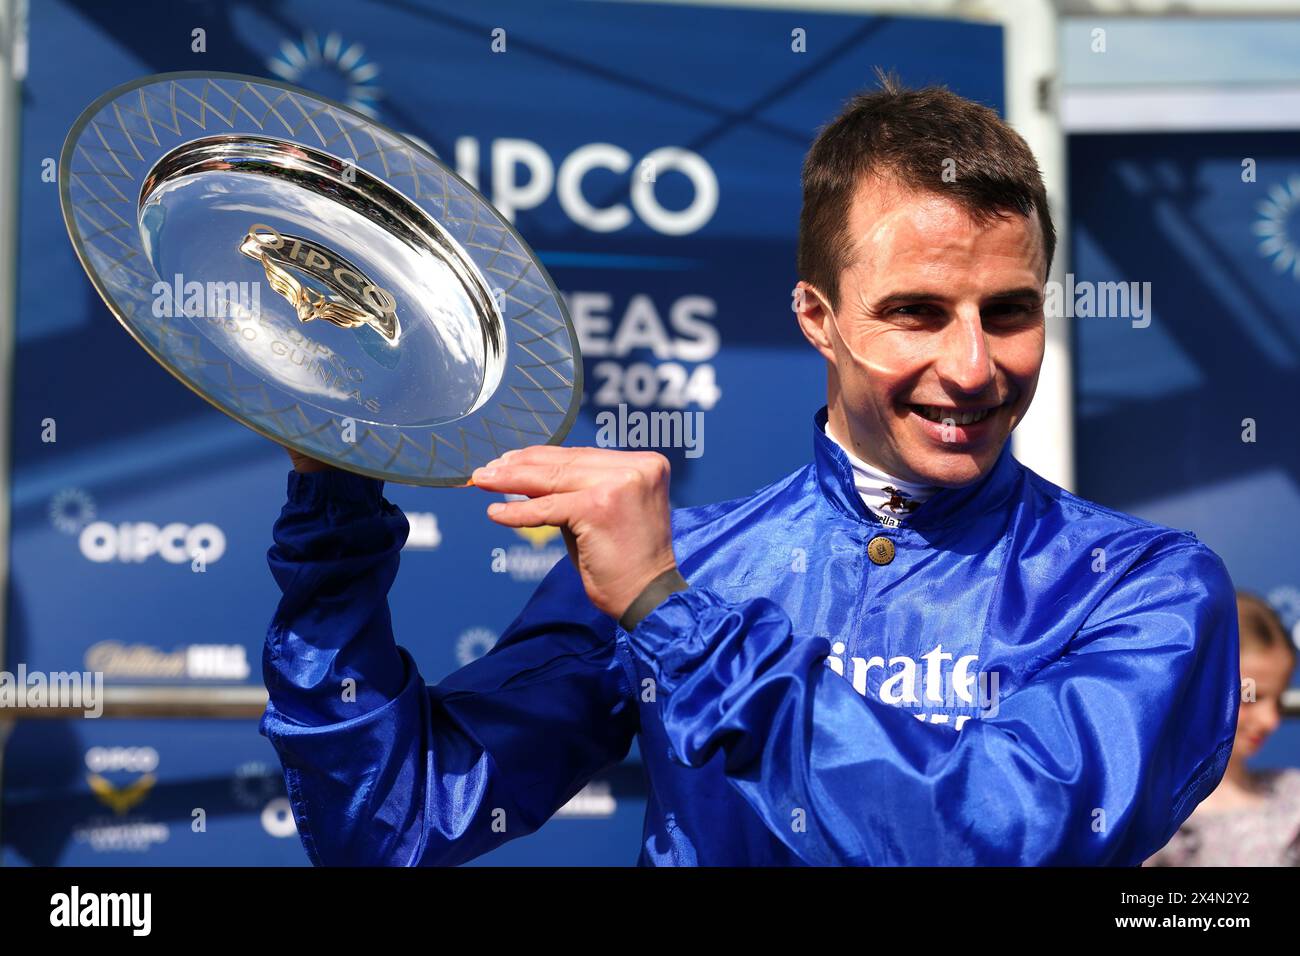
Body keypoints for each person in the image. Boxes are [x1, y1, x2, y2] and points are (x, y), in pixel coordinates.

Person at [260, 73, 1240, 866]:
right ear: (817, 317)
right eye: (917, 312)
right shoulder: (679, 564)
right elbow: (393, 825)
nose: (975, 366)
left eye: (1010, 311)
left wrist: (672, 620)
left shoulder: (1144, 585)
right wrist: (336, 496)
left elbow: (1001, 835)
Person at [1144, 593, 1299, 866]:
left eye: (1278, 700)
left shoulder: (1292, 797)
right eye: (1252, 697)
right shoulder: (1148, 818)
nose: (1270, 720)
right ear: (1198, 684)